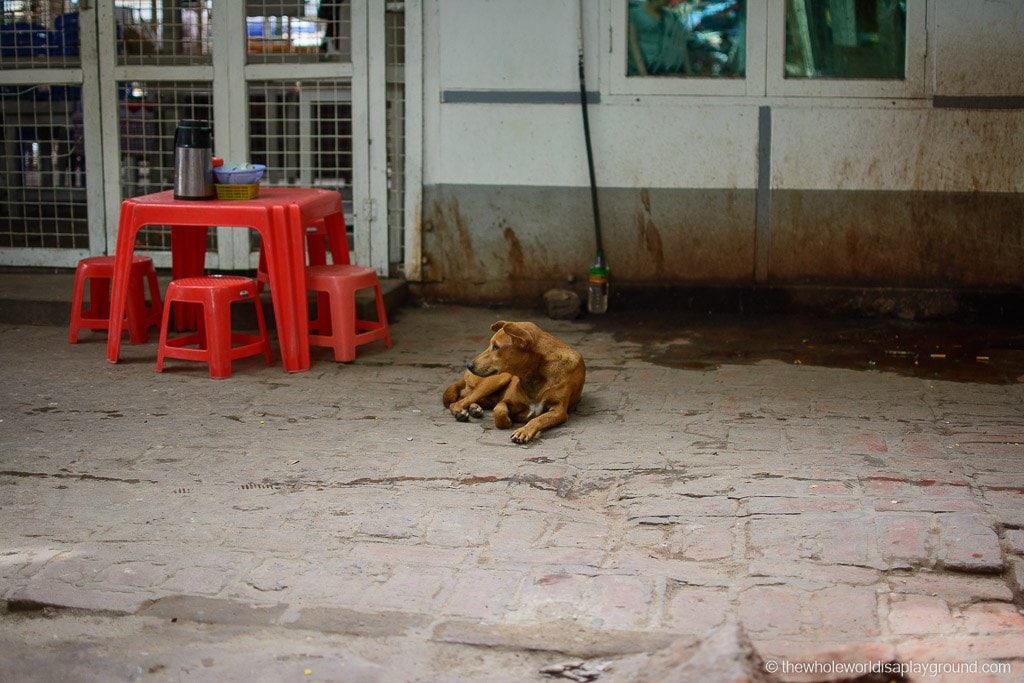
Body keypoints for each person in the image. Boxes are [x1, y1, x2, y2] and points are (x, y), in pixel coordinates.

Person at [627, 0, 691, 76]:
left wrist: (689, 74)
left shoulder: (672, 17)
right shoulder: (634, 14)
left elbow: (681, 44)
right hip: (646, 70)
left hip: (671, 71)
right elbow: (633, 44)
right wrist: (643, 74)